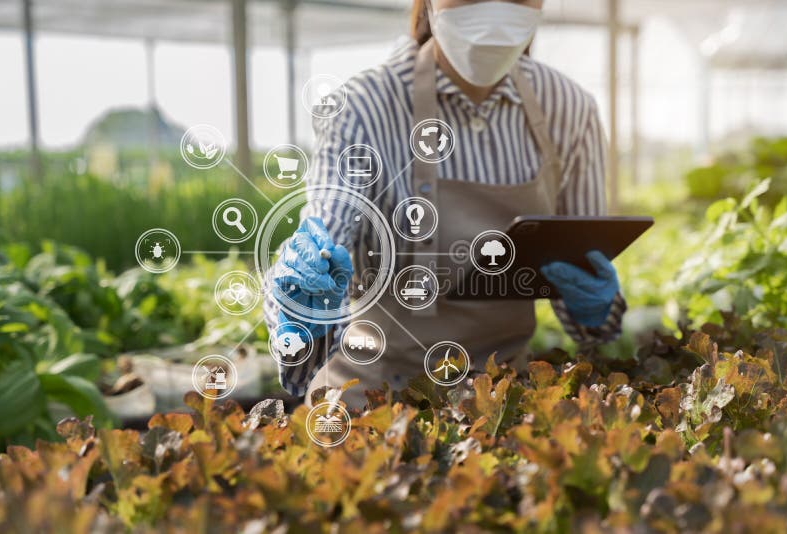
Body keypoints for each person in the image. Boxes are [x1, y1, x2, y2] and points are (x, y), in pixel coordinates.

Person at [264, 0, 627, 404]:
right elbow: (325, 230)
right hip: (374, 398)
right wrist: (299, 298)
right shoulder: (365, 107)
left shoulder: (569, 109)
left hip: (503, 403)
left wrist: (596, 306)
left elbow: (592, 312)